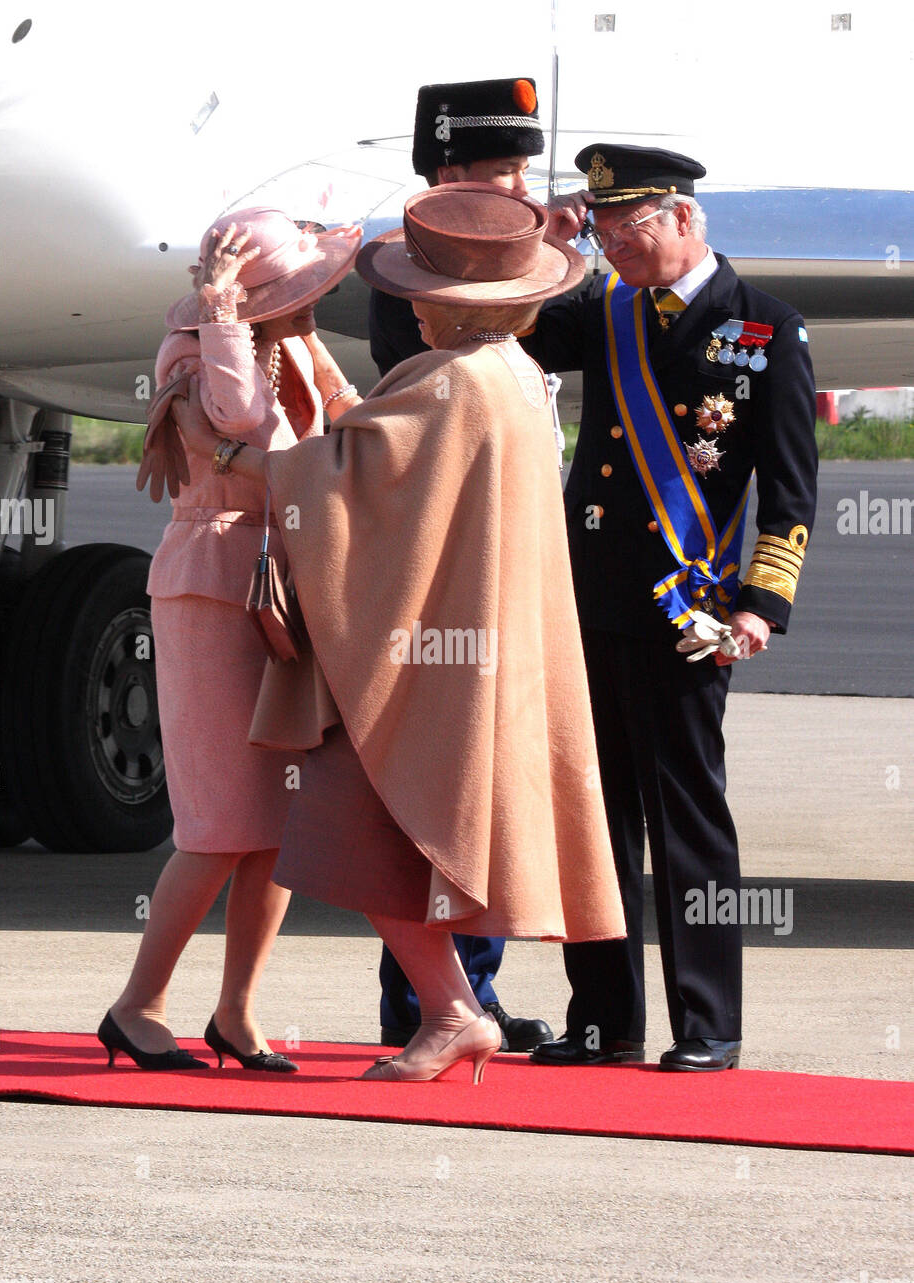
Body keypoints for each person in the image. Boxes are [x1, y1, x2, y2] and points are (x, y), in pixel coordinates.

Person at [175, 183, 628, 1083]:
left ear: (457, 304)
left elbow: (336, 478)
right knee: (381, 828)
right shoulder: (515, 376)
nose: (411, 305)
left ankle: (455, 1010)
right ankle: (453, 1010)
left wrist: (226, 454)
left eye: (423, 290)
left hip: (425, 662)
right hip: (470, 647)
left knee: (359, 812)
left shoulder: (447, 382)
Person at [522, 144, 818, 1071]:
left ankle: (707, 1025)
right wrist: (544, 246)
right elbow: (495, 331)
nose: (614, 245)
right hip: (591, 598)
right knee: (593, 815)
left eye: (627, 228)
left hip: (692, 608)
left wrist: (763, 603)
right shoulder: (602, 309)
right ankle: (604, 1021)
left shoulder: (764, 328)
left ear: (684, 218)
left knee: (686, 816)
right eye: (604, 228)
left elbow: (792, 491)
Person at [98, 208, 361, 1072]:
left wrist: (307, 343)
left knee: (277, 827)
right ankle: (138, 1007)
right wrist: (223, 313)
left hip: (281, 593)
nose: (312, 303)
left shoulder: (288, 345)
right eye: (296, 292)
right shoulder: (201, 349)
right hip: (214, 595)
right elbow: (240, 415)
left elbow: (347, 426)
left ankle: (236, 1014)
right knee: (215, 824)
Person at [369, 76, 560, 1054]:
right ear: (450, 181)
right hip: (444, 589)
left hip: (484, 590)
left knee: (475, 800)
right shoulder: (422, 289)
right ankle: (431, 1002)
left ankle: (460, 995)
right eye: (502, 173)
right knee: (435, 803)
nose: (522, 187)